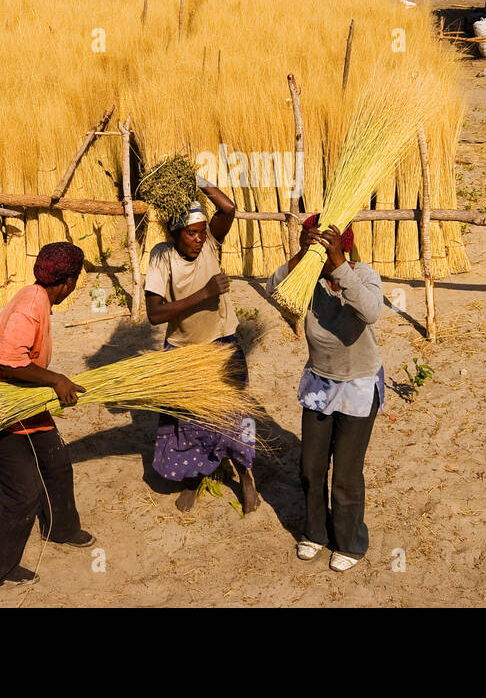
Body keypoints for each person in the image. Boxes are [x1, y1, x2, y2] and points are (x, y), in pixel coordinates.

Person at [0, 241, 95, 587]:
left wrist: (48, 385)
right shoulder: (30, 307)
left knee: (57, 461)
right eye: (76, 280)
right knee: (25, 491)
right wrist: (56, 380)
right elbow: (7, 361)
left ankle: (61, 529)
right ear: (67, 282)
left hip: (23, 400)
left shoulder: (37, 299)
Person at [267, 214, 384, 573]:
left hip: (359, 385)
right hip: (320, 382)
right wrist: (302, 257)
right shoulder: (306, 282)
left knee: (347, 474)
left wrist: (339, 268)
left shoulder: (363, 275)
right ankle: (315, 533)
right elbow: (274, 288)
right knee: (311, 466)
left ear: (342, 247)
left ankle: (349, 541)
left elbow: (372, 311)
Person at [144, 179, 259, 514]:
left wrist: (197, 181)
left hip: (222, 342)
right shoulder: (161, 258)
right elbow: (154, 313)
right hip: (184, 349)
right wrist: (204, 294)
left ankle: (246, 478)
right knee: (187, 417)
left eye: (200, 231)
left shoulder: (211, 244)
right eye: (190, 233)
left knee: (234, 413)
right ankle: (192, 478)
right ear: (174, 233)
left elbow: (229, 209)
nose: (197, 239)